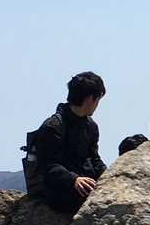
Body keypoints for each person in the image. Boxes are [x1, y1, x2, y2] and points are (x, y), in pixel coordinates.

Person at [33, 71, 106, 216]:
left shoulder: (91, 126)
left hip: (85, 184)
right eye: (98, 100)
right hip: (60, 190)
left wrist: (110, 175)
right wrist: (74, 179)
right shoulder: (53, 126)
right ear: (90, 99)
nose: (97, 105)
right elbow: (48, 165)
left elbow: (94, 160)